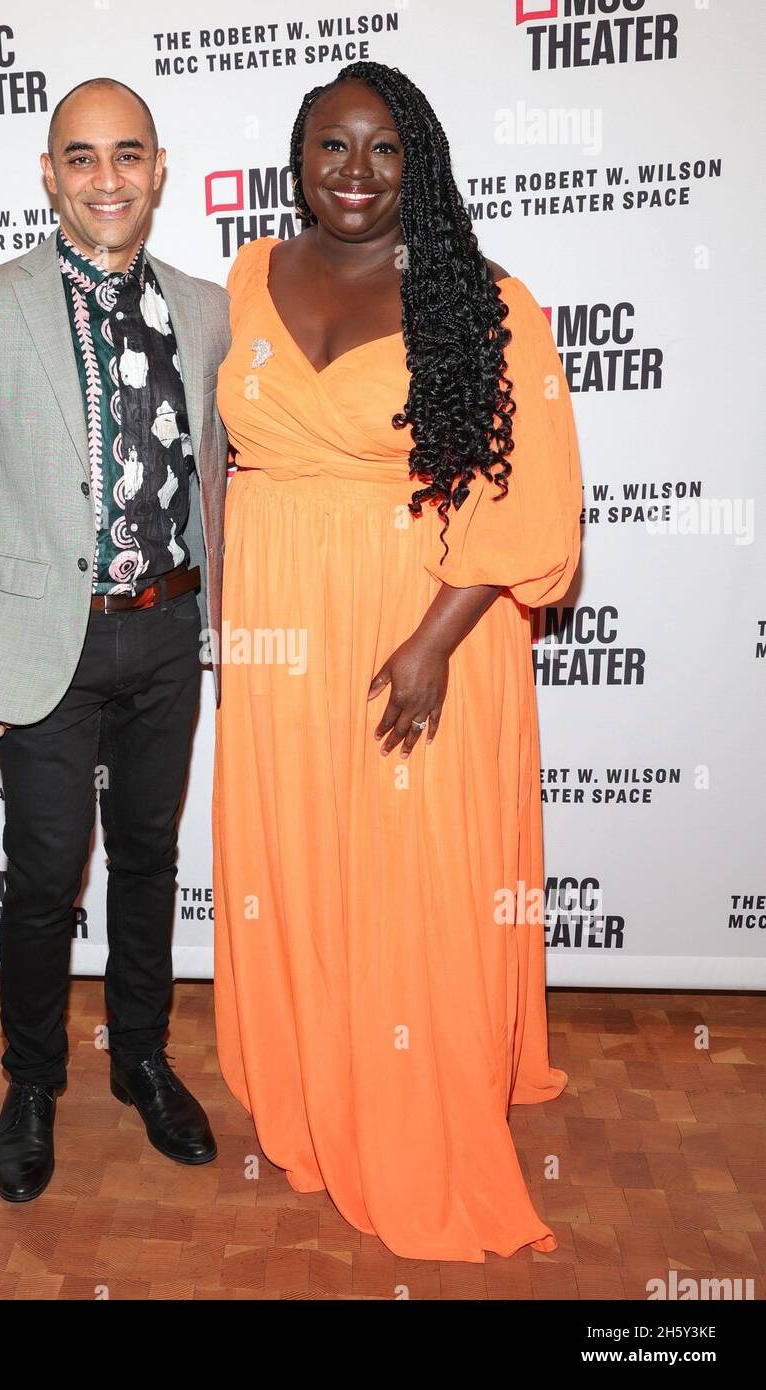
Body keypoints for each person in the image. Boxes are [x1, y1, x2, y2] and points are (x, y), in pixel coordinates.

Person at [211, 61, 582, 1260]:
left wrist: (429, 641)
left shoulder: (483, 298)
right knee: (303, 857)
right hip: (281, 638)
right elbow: (231, 464)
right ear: (298, 157)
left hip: (420, 630)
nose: (355, 172)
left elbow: (527, 495)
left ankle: (412, 1106)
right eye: (332, 147)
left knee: (406, 871)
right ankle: (318, 1077)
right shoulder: (251, 273)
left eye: (382, 148)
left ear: (417, 161)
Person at [0, 78, 230, 1202]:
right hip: (40, 643)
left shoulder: (207, 307)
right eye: (81, 158)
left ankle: (140, 1058)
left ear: (159, 168)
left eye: (126, 156)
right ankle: (33, 1080)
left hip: (167, 632)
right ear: (49, 174)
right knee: (44, 879)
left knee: (149, 863)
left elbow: (228, 477)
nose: (106, 179)